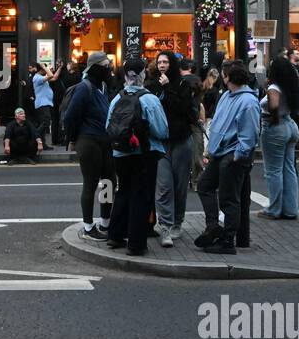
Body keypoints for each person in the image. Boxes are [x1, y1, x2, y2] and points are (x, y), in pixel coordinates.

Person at [103, 58, 168, 257]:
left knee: (123, 191)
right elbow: (162, 130)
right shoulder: (149, 99)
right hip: (143, 154)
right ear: (143, 75)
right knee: (141, 196)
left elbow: (108, 127)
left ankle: (115, 235)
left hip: (120, 153)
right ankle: (136, 243)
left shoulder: (116, 98)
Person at [195, 62, 259, 256]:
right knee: (204, 185)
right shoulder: (226, 96)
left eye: (224, 74)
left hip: (232, 155)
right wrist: (211, 149)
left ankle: (228, 240)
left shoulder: (248, 102)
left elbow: (249, 135)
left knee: (229, 198)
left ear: (228, 77)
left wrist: (237, 156)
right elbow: (218, 124)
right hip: (220, 153)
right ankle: (213, 227)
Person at [63, 52, 115, 241]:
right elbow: (70, 117)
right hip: (89, 141)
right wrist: (72, 138)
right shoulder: (85, 88)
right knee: (91, 184)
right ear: (95, 68)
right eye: (106, 65)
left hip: (105, 141)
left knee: (109, 182)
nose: (109, 69)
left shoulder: (102, 86)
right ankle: (88, 227)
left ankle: (106, 223)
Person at [148, 52, 199, 244]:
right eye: (159, 62)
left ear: (173, 64)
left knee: (179, 186)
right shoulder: (152, 85)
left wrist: (168, 88)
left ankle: (178, 222)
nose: (161, 65)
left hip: (181, 140)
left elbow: (183, 109)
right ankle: (165, 227)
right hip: (161, 142)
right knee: (163, 187)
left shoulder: (182, 85)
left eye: (165, 62)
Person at [258, 56, 299, 221]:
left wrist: (272, 114)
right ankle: (290, 209)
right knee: (289, 169)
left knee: (273, 171)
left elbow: (273, 106)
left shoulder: (274, 88)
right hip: (290, 124)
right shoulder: (290, 85)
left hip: (275, 126)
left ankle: (274, 209)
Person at [31, 62, 63, 148]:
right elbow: (51, 75)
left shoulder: (41, 77)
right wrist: (45, 67)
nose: (46, 70)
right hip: (42, 104)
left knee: (44, 123)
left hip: (45, 103)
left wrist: (59, 68)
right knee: (45, 123)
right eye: (44, 69)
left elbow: (54, 77)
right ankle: (34, 137)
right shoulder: (37, 78)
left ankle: (43, 144)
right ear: (41, 70)